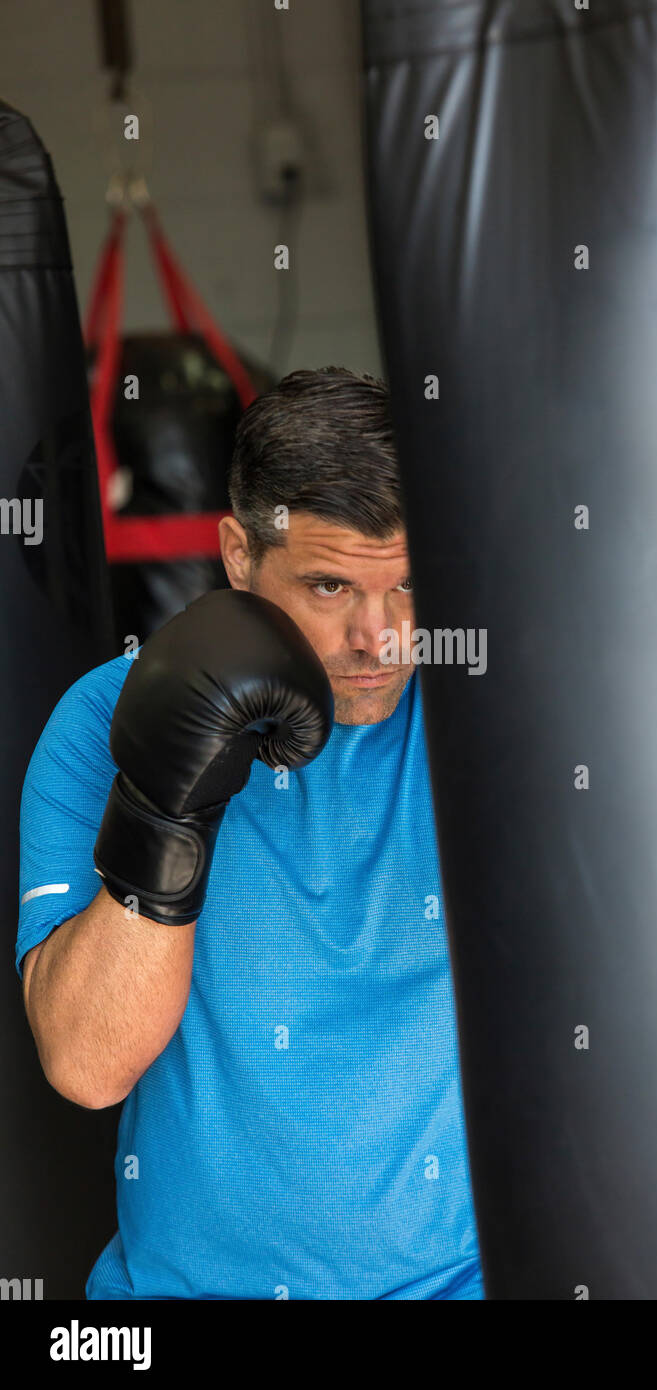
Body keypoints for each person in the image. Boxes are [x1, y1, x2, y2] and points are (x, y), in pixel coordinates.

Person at [16, 366, 485, 1301]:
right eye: (329, 585)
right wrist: (166, 806)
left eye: (407, 585)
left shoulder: (487, 719)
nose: (381, 637)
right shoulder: (106, 719)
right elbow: (87, 1065)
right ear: (238, 553)